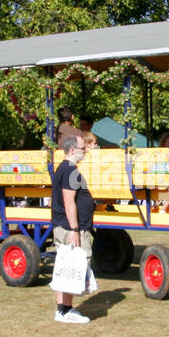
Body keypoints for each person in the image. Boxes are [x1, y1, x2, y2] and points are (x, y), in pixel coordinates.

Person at [52, 134, 95, 324]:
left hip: (65, 227)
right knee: (71, 268)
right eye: (82, 147)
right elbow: (69, 202)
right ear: (72, 150)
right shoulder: (70, 171)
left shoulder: (65, 169)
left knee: (66, 268)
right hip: (70, 229)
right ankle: (64, 311)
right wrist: (75, 230)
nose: (85, 149)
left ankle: (64, 309)